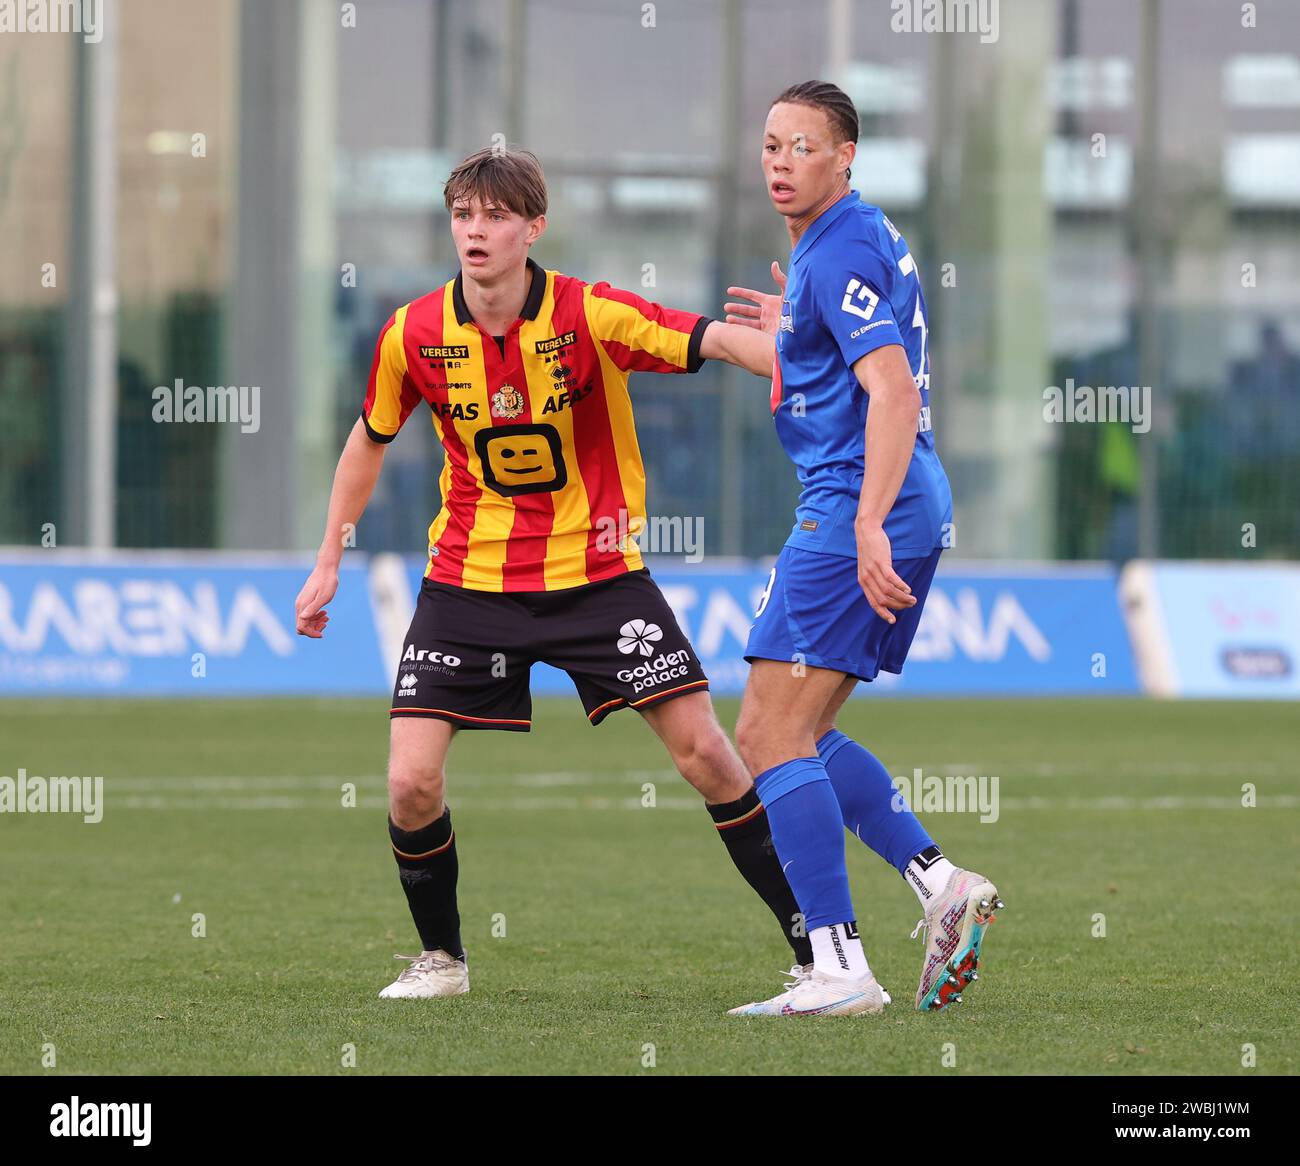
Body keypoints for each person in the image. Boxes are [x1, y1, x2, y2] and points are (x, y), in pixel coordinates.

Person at [294, 146, 815, 1000]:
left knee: (710, 757)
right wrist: (327, 561)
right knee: (410, 780)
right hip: (467, 581)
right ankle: (443, 960)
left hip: (598, 575)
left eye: (496, 216)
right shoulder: (414, 332)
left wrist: (807, 349)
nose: (476, 231)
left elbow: (713, 339)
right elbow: (369, 440)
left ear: (533, 228)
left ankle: (815, 951)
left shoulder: (589, 314)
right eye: (464, 215)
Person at [722, 81, 1002, 1016]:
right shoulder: (853, 236)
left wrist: (868, 522)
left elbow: (893, 392)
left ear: (844, 156)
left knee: (765, 735)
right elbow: (851, 367)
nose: (779, 161)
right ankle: (939, 884)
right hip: (892, 496)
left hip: (856, 502)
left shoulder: (837, 243)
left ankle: (841, 970)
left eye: (801, 146)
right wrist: (785, 335)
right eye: (770, 145)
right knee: (800, 731)